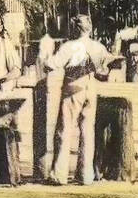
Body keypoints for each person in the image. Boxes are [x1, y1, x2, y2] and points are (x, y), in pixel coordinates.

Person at [44, 14, 119, 185]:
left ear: (74, 28)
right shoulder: (98, 47)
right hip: (90, 88)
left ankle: (60, 175)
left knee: (65, 131)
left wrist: (46, 58)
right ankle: (86, 175)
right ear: (90, 28)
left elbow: (52, 64)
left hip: (72, 88)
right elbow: (105, 70)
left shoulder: (69, 46)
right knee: (87, 131)